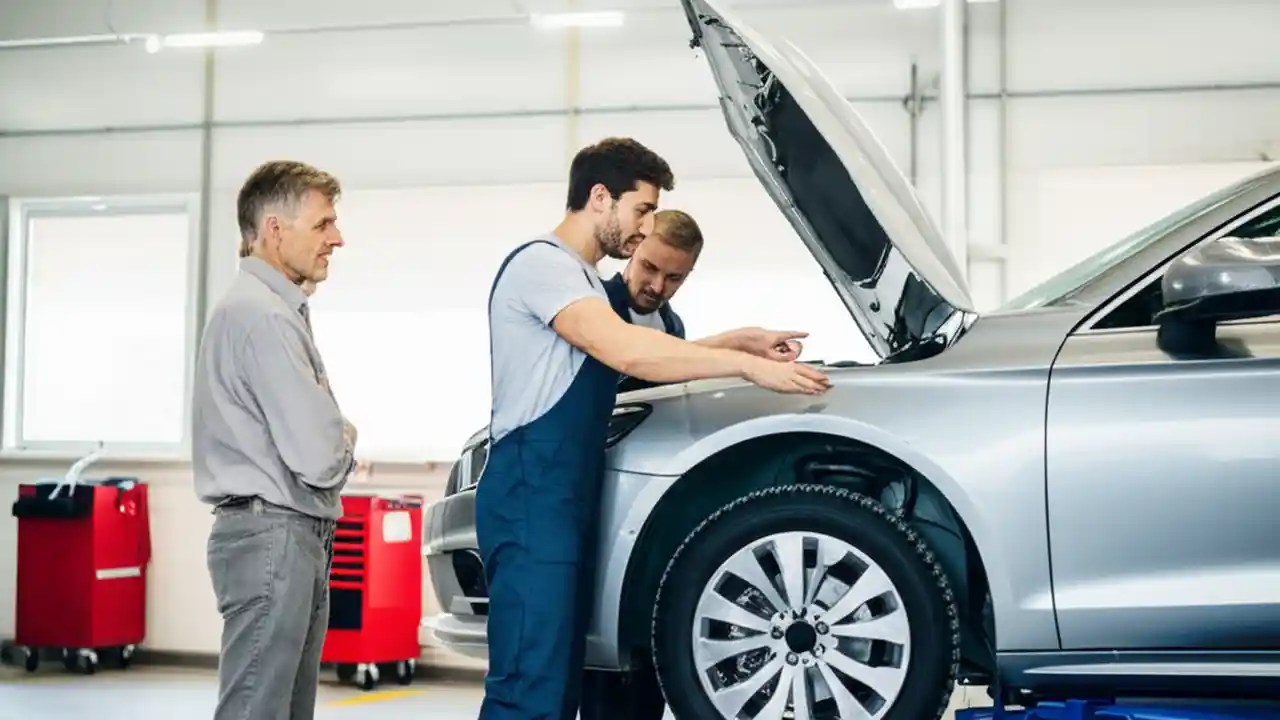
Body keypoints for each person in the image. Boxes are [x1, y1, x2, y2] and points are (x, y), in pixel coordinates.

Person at [477, 137, 831, 720]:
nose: (644, 230)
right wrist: (745, 365)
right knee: (527, 686)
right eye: (641, 211)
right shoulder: (542, 263)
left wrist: (738, 340)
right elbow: (627, 350)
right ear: (599, 198)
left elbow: (647, 354)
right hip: (529, 494)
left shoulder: (582, 280)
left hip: (563, 497)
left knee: (558, 685)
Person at [192, 159, 357, 720]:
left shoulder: (272, 310)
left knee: (282, 710)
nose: (337, 238)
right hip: (274, 535)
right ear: (274, 230)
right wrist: (344, 437)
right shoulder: (263, 318)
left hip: (287, 534)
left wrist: (334, 434)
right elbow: (319, 453)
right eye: (323, 224)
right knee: (257, 709)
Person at [604, 208, 804, 393]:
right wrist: (741, 343)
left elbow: (670, 369)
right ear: (631, 251)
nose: (657, 287)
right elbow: (643, 363)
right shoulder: (596, 306)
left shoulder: (672, 325)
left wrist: (750, 347)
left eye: (674, 278)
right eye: (649, 267)